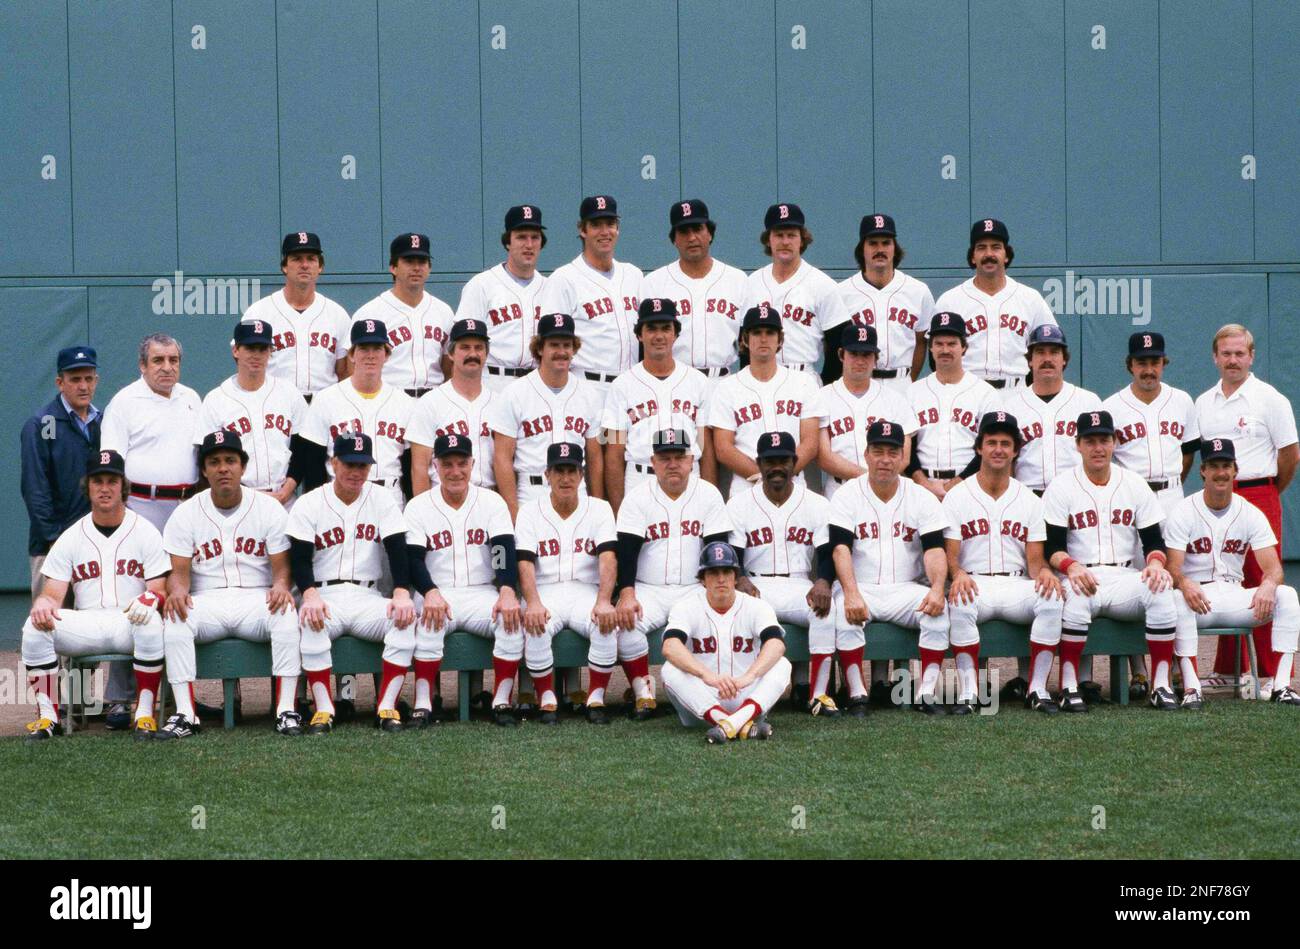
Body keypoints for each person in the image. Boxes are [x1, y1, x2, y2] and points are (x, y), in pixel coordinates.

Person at [156, 431, 301, 739]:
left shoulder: (268, 508)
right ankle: (185, 714)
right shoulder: (186, 513)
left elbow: (282, 569)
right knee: (175, 618)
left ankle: (286, 709)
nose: (223, 468)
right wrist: (178, 590)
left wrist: (280, 585)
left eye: (230, 461)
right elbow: (179, 575)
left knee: (287, 613)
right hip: (207, 600)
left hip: (256, 600)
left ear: (242, 467)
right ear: (205, 470)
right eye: (215, 462)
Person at [21, 450, 168, 740]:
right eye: (97, 480)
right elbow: (52, 594)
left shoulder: (145, 531)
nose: (104, 487)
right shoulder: (72, 536)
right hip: (86, 624)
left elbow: (159, 589)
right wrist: (42, 603)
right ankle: (48, 719)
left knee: (152, 623)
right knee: (33, 628)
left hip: (129, 621)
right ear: (87, 487)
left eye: (111, 481)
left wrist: (150, 600)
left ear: (123, 486)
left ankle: (144, 714)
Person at [381, 433, 523, 727]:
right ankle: (424, 704)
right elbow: (415, 559)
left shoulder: (491, 502)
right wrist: (429, 592)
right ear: (434, 465)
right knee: (428, 623)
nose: (455, 471)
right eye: (447, 464)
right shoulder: (419, 506)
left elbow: (502, 551)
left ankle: (501, 701)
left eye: (461, 463)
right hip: (437, 591)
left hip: (480, 592)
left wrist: (507, 590)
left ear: (472, 464)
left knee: (511, 621)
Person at [1041, 411, 1179, 711]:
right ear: (1077, 445)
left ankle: (1161, 684)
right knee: (1075, 595)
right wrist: (1071, 567)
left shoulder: (1134, 483)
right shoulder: (1061, 486)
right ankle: (1068, 685)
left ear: (1115, 442)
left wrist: (1155, 564)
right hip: (1081, 575)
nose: (1098, 448)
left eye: (1104, 439)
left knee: (1161, 588)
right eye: (1090, 441)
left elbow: (1154, 542)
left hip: (1126, 578)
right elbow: (1052, 547)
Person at [285, 434, 416, 733]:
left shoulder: (381, 498)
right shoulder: (310, 502)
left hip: (366, 596)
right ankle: (324, 709)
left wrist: (400, 592)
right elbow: (300, 559)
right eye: (349, 464)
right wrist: (309, 594)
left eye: (363, 465)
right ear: (333, 463)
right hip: (324, 593)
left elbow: (397, 548)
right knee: (309, 619)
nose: (356, 472)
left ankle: (386, 706)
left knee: (405, 619)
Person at [1194, 324, 1298, 695]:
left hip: (1260, 492)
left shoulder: (1271, 399)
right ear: (1215, 357)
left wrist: (1267, 492)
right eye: (1226, 354)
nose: (1233, 360)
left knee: (1262, 579)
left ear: (1251, 356)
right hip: (1218, 497)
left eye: (1240, 353)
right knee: (1224, 576)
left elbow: (1290, 455)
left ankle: (1271, 675)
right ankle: (1228, 667)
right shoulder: (1203, 403)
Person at [1164, 438, 1300, 708]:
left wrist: (1269, 584)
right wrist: (1184, 583)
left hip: (1235, 595)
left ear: (1235, 470)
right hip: (1197, 599)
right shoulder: (1183, 511)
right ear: (1203, 471)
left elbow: (1274, 569)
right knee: (1176, 599)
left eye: (1226, 465)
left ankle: (1282, 685)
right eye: (1214, 466)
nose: (1220, 472)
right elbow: (1172, 567)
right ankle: (1192, 687)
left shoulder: (1250, 512)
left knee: (1287, 595)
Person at [943, 412, 1064, 713]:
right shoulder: (957, 496)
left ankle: (1037, 689)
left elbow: (1034, 563)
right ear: (979, 448)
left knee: (1051, 597)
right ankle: (970, 693)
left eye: (1005, 443)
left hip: (1014, 584)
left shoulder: (1030, 500)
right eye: (992, 442)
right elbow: (950, 555)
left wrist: (1046, 573)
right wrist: (956, 574)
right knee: (958, 600)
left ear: (1016, 450)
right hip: (974, 582)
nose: (998, 449)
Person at [828, 420, 952, 713]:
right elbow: (840, 549)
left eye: (892, 452)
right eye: (878, 451)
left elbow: (935, 550)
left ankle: (925, 693)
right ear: (866, 454)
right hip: (862, 587)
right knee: (844, 616)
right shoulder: (846, 494)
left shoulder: (921, 496)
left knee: (938, 613)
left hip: (905, 590)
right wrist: (851, 592)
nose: (885, 459)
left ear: (902, 457)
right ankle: (858, 694)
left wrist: (936, 589)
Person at [614, 429, 733, 719]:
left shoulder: (708, 494)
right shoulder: (638, 497)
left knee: (715, 624)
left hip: (694, 588)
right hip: (649, 588)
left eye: (679, 456)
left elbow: (718, 552)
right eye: (665, 457)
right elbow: (626, 553)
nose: (672, 464)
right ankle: (643, 690)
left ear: (691, 460)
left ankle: (708, 687)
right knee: (626, 623)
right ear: (652, 462)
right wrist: (627, 593)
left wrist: (713, 596)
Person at [726, 432, 837, 715]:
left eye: (783, 460)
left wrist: (823, 581)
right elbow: (733, 556)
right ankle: (749, 691)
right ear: (759, 464)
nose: (777, 467)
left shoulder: (816, 503)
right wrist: (740, 578)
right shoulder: (739, 504)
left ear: (794, 463)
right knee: (741, 614)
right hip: (756, 583)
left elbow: (827, 552)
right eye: (770, 461)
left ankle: (818, 693)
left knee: (826, 610)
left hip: (799, 582)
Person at [516, 442, 620, 724]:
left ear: (581, 474)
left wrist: (604, 601)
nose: (565, 478)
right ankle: (547, 699)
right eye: (559, 471)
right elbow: (524, 562)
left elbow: (608, 558)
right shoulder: (529, 511)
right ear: (547, 475)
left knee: (606, 622)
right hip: (545, 590)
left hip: (585, 590)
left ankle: (596, 699)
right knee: (535, 625)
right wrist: (533, 602)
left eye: (571, 471)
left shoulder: (598, 508)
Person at [659, 541, 792, 744]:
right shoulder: (686, 607)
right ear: (703, 579)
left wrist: (749, 676)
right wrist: (707, 675)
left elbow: (776, 643)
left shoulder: (756, 607)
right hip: (701, 701)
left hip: (747, 697)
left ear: (736, 577)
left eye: (727, 572)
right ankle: (740, 725)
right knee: (670, 669)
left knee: (783, 664)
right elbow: (670, 646)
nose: (721, 579)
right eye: (713, 572)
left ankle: (730, 724)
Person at [601, 297, 714, 511]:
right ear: (639, 334)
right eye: (651, 328)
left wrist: (709, 496)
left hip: (689, 478)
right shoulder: (620, 385)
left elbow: (706, 448)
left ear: (675, 333)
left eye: (666, 328)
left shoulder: (699, 381)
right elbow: (613, 454)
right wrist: (618, 510)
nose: (659, 336)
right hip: (639, 479)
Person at [489, 313, 605, 518]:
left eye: (567, 345)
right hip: (532, 491)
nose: (561, 352)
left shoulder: (589, 394)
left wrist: (597, 505)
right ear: (540, 348)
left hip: (578, 493)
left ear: (574, 349)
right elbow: (502, 458)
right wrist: (513, 511)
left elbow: (595, 458)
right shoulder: (514, 393)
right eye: (554, 345)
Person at [293, 319, 416, 510]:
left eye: (377, 348)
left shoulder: (405, 404)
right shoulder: (326, 399)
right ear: (351, 354)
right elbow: (313, 465)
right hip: (339, 498)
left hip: (390, 498)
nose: (370, 355)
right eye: (363, 348)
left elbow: (409, 467)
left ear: (387, 354)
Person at [708, 304, 822, 496]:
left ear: (780, 339)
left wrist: (783, 477)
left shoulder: (804, 383)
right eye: (756, 332)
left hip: (794, 485)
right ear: (745, 339)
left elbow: (810, 442)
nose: (763, 339)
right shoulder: (727, 388)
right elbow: (723, 448)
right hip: (746, 487)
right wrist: (763, 478)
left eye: (770, 332)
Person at [932, 218, 1058, 389]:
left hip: (1016, 391)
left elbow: (1050, 348)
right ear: (973, 256)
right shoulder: (951, 300)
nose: (989, 254)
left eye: (996, 247)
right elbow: (934, 359)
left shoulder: (1030, 298)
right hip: (967, 392)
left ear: (1006, 255)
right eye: (981, 248)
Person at [536, 195, 643, 393]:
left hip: (632, 387)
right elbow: (546, 342)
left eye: (610, 224)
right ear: (582, 230)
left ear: (618, 229)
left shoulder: (633, 275)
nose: (604, 232)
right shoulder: (564, 279)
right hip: (587, 386)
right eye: (596, 225)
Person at [196, 319, 309, 505]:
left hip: (285, 498)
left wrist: (287, 489)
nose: (257, 355)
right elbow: (207, 456)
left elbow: (302, 449)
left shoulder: (289, 394)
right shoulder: (216, 399)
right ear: (235, 350)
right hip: (237, 499)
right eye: (250, 348)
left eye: (262, 349)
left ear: (270, 352)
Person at [100, 333, 202, 532]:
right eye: (158, 360)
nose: (167, 367)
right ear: (142, 365)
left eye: (173, 360)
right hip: (140, 508)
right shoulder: (124, 402)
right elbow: (111, 463)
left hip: (187, 506)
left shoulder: (192, 398)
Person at [22, 346, 101, 596]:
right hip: (51, 546)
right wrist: (53, 538)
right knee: (49, 622)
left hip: (95, 542)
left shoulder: (104, 421)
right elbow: (35, 488)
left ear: (96, 381)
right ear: (60, 382)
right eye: (75, 379)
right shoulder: (45, 423)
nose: (83, 386)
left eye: (88, 378)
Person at [640, 199, 748, 382]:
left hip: (723, 381)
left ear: (710, 234)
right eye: (683, 231)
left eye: (697, 229)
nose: (691, 238)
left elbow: (748, 343)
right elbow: (642, 345)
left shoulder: (737, 280)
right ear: (674, 239)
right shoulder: (654, 283)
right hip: (672, 381)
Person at [743, 203, 850, 383]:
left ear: (802, 240)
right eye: (779, 235)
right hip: (759, 378)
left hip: (803, 377)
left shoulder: (823, 285)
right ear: (768, 240)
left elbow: (839, 344)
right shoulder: (752, 283)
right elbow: (743, 343)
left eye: (791, 235)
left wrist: (827, 386)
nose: (785, 241)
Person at [240, 231, 351, 401]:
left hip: (324, 405)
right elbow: (244, 367)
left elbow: (344, 373)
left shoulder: (337, 314)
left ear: (320, 266)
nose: (304, 265)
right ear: (284, 266)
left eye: (311, 259)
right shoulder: (259, 312)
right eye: (297, 258)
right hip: (274, 404)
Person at [830, 213, 933, 392]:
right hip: (858, 382)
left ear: (895, 248)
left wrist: (909, 380)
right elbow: (833, 345)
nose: (880, 249)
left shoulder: (918, 291)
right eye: (873, 243)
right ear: (862, 248)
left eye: (886, 243)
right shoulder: (842, 292)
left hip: (902, 382)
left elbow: (921, 341)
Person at [455, 205, 548, 392]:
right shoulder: (482, 285)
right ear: (508, 242)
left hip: (539, 384)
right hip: (493, 382)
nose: (529, 245)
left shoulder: (551, 288)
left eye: (535, 237)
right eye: (521, 237)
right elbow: (460, 344)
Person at [817, 322, 914, 501]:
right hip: (839, 491)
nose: (860, 361)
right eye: (854, 354)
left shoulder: (895, 400)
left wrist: (876, 481)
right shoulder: (822, 397)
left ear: (876, 358)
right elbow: (824, 457)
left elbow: (904, 457)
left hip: (885, 492)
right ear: (841, 355)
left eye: (866, 354)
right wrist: (869, 478)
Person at [906, 313, 999, 501]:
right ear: (930, 347)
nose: (945, 350)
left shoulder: (985, 393)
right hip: (922, 487)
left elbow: (990, 448)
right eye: (939, 343)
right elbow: (907, 447)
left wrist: (957, 483)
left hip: (971, 485)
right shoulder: (913, 392)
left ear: (964, 347)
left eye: (952, 344)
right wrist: (923, 483)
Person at [352, 233, 454, 399]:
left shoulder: (443, 311)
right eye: (408, 261)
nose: (416, 268)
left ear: (429, 268)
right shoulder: (370, 313)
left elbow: (449, 366)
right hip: (390, 399)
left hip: (434, 400)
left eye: (422, 262)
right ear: (393, 267)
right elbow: (354, 368)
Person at [408, 318, 497, 495]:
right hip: (443, 497)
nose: (472, 353)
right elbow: (419, 468)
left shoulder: (499, 403)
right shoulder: (431, 402)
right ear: (450, 353)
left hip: (489, 499)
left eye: (479, 348)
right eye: (464, 347)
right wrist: (424, 509)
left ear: (486, 354)